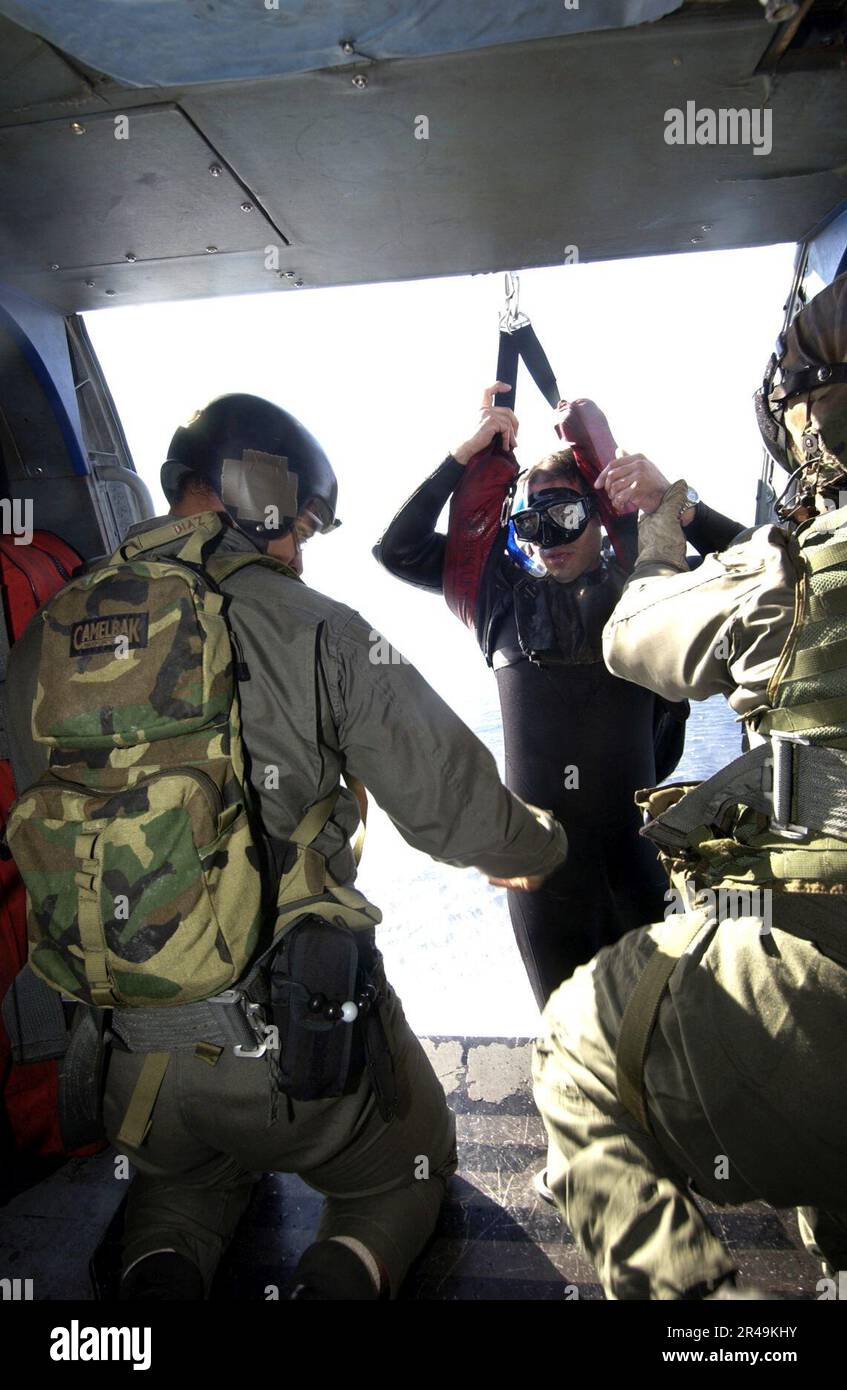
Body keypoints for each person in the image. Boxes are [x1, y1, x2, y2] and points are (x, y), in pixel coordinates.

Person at [4, 392, 567, 1301]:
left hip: (125, 1062)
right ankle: (338, 1279)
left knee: (180, 1188)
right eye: (300, 525)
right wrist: (540, 850)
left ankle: (160, 1270)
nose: (301, 552)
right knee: (402, 1171)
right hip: (301, 1054)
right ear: (254, 490)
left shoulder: (45, 639)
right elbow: (456, 808)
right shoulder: (316, 625)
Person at [532, 274, 847, 1299]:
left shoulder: (789, 569)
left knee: (576, 1047)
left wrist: (663, 532)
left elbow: (634, 633)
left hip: (819, 1013)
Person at [374, 387, 741, 1006]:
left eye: (566, 517)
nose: (549, 538)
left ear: (600, 516)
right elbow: (397, 549)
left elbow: (755, 565)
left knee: (666, 1044)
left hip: (640, 867)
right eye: (531, 525)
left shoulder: (649, 591)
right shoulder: (498, 600)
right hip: (543, 885)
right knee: (571, 1053)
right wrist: (462, 457)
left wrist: (673, 502)